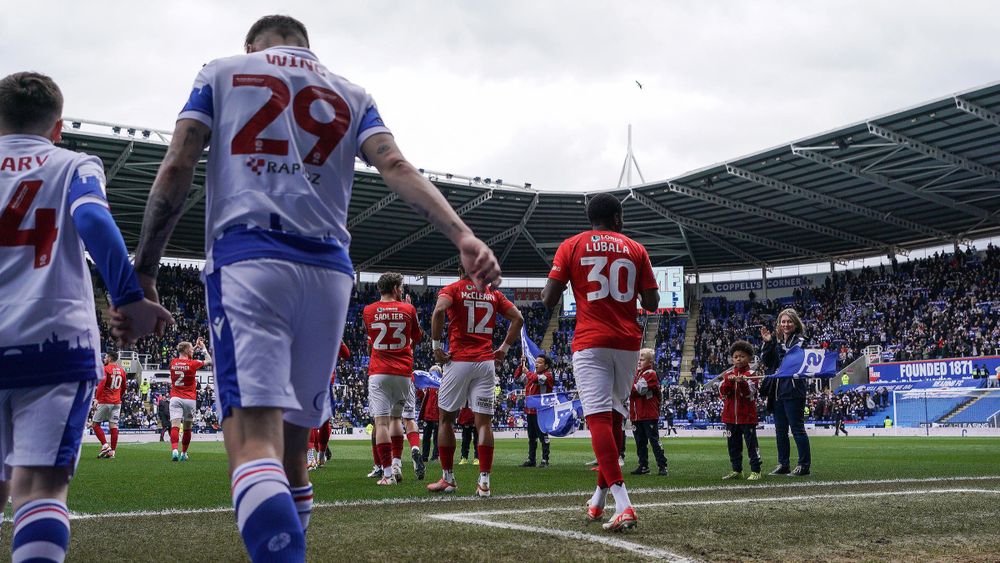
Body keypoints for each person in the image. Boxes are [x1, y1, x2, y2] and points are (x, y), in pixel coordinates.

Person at [125, 15, 501, 561]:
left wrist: (146, 269)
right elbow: (393, 164)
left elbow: (180, 161)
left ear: (251, 45)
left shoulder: (222, 72)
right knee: (295, 453)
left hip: (250, 259)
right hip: (329, 270)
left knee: (254, 444)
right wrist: (463, 235)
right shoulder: (350, 93)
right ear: (307, 47)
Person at [0, 71, 170, 563]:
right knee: (39, 493)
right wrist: (128, 297)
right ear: (57, 127)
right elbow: (93, 219)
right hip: (56, 347)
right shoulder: (72, 164)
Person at [541, 193, 659, 532]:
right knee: (615, 418)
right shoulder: (635, 248)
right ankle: (598, 499)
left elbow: (548, 299)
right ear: (618, 217)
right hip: (627, 343)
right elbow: (651, 303)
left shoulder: (572, 245)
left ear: (590, 217)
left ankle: (623, 504)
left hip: (591, 341)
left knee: (598, 422)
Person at [429, 265, 523, 497]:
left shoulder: (453, 289)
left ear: (461, 269)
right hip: (485, 362)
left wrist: (436, 346)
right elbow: (518, 318)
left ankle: (448, 478)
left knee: (445, 420)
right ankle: (484, 483)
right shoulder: (493, 293)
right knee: (484, 423)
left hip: (459, 359)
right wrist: (503, 350)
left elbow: (439, 311)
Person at [363, 272, 423, 485]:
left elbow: (372, 339)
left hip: (379, 372)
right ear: (396, 288)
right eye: (401, 287)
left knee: (381, 423)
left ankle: (387, 474)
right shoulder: (408, 309)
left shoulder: (368, 310)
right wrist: (410, 311)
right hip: (403, 374)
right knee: (398, 419)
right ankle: (397, 463)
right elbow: (418, 337)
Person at [759, 308, 811, 477]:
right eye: (783, 321)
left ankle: (804, 465)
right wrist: (767, 343)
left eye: (789, 321)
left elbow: (790, 360)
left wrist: (776, 344)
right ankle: (783, 464)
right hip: (777, 391)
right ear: (779, 325)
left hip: (794, 389)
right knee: (780, 430)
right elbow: (767, 362)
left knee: (797, 428)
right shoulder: (776, 341)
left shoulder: (801, 341)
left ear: (796, 323)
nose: (786, 324)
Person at [719, 341, 762, 480]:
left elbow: (749, 393)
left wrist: (742, 382)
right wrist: (729, 382)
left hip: (747, 417)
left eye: (742, 356)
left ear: (749, 358)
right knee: (733, 445)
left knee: (751, 445)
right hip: (730, 417)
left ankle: (756, 470)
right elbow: (723, 393)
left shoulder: (752, 374)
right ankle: (737, 470)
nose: (738, 359)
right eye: (736, 356)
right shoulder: (728, 374)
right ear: (732, 358)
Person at [168, 339, 211, 461]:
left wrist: (194, 348)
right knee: (187, 427)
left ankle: (174, 450)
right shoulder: (193, 364)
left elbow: (185, 357)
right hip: (189, 399)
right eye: (191, 349)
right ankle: (183, 453)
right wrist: (202, 348)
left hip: (175, 398)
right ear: (187, 350)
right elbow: (209, 361)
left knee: (175, 426)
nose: (193, 350)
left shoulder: (173, 362)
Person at [629, 349, 668, 476]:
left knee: (654, 441)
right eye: (638, 359)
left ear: (650, 361)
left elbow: (638, 390)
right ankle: (643, 465)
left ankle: (662, 466)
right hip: (636, 415)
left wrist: (625, 385)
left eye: (642, 359)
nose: (639, 361)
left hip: (648, 414)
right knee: (640, 442)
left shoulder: (650, 373)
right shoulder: (636, 374)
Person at [515, 353, 554, 467]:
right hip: (530, 411)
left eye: (540, 362)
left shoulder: (548, 375)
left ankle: (545, 460)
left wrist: (526, 371)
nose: (536, 364)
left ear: (546, 366)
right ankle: (531, 460)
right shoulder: (532, 375)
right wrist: (521, 364)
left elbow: (535, 379)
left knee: (543, 436)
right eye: (536, 362)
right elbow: (517, 377)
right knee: (532, 437)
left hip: (542, 411)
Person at [93, 352, 128, 459]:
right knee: (113, 427)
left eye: (106, 357)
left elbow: (101, 385)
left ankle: (105, 445)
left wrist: (96, 399)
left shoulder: (106, 369)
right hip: (117, 402)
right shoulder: (121, 370)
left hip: (105, 401)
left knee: (95, 424)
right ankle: (112, 452)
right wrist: (118, 396)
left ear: (110, 358)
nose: (104, 358)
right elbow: (124, 387)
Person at [419, 367, 441, 462]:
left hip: (436, 415)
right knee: (426, 437)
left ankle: (435, 456)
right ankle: (425, 456)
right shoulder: (427, 385)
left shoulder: (441, 385)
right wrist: (419, 390)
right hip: (428, 415)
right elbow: (421, 397)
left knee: (436, 437)